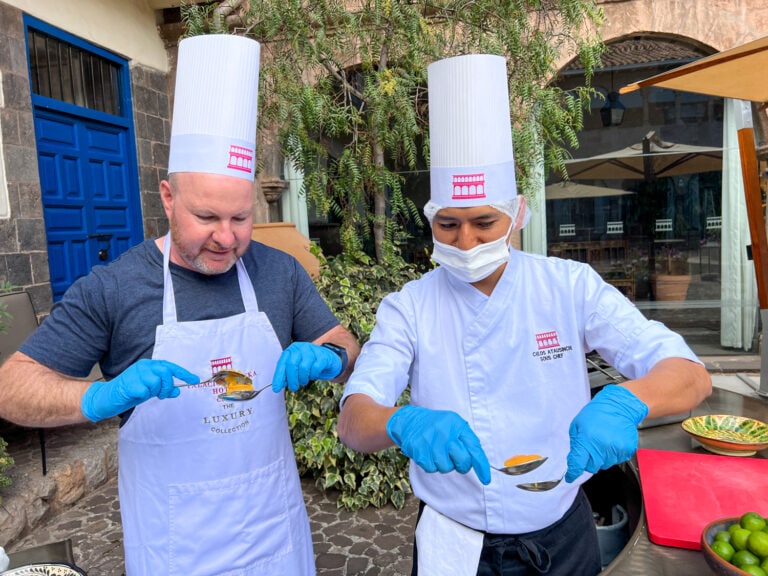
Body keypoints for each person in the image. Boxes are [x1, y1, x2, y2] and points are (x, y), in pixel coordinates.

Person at [336, 54, 711, 576]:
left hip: (563, 531)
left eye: (484, 222)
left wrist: (628, 401)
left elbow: (689, 374)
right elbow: (353, 421)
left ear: (518, 214)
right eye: (448, 225)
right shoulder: (410, 306)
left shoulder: (568, 286)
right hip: (456, 543)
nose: (465, 242)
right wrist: (400, 422)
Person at [0, 34, 359, 575]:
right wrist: (100, 397)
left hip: (271, 535)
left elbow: (344, 343)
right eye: (207, 218)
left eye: (240, 219)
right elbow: (11, 388)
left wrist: (331, 358)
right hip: (176, 545)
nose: (226, 237)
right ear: (168, 198)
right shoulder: (115, 287)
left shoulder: (278, 271)